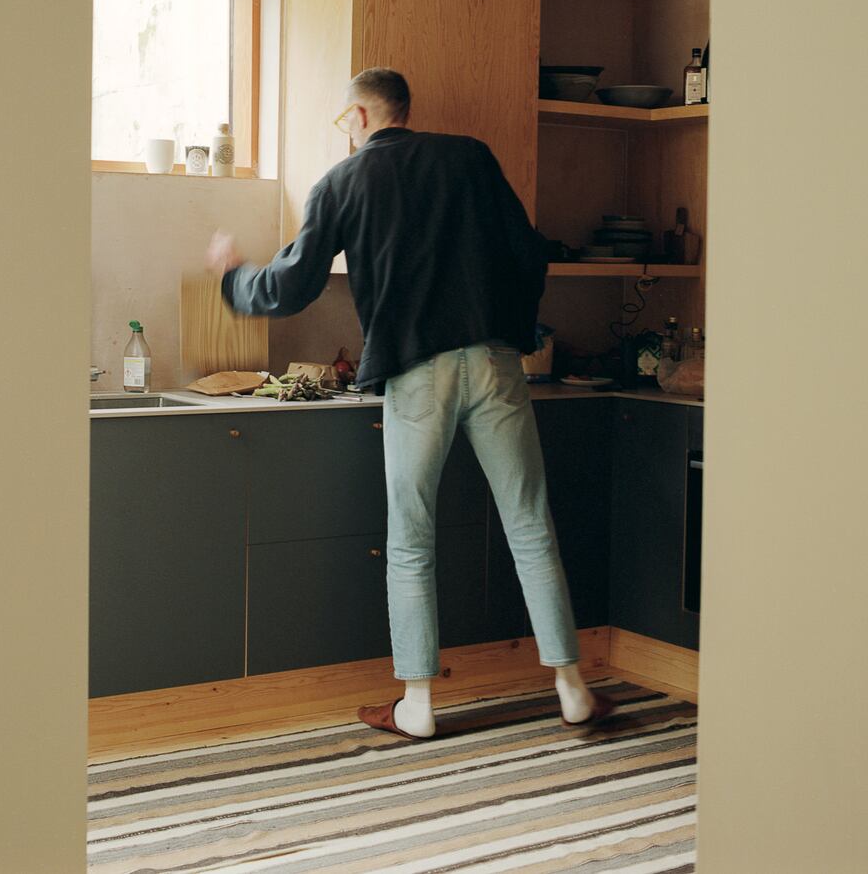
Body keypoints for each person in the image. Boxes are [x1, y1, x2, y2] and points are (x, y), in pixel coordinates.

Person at [206, 67, 612, 740]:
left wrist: (232, 278)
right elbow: (528, 252)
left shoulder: (343, 181)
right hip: (495, 360)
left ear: (361, 116)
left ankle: (417, 706)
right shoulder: (472, 157)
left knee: (412, 538)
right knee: (531, 525)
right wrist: (513, 327)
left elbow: (293, 284)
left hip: (417, 371)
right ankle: (573, 691)